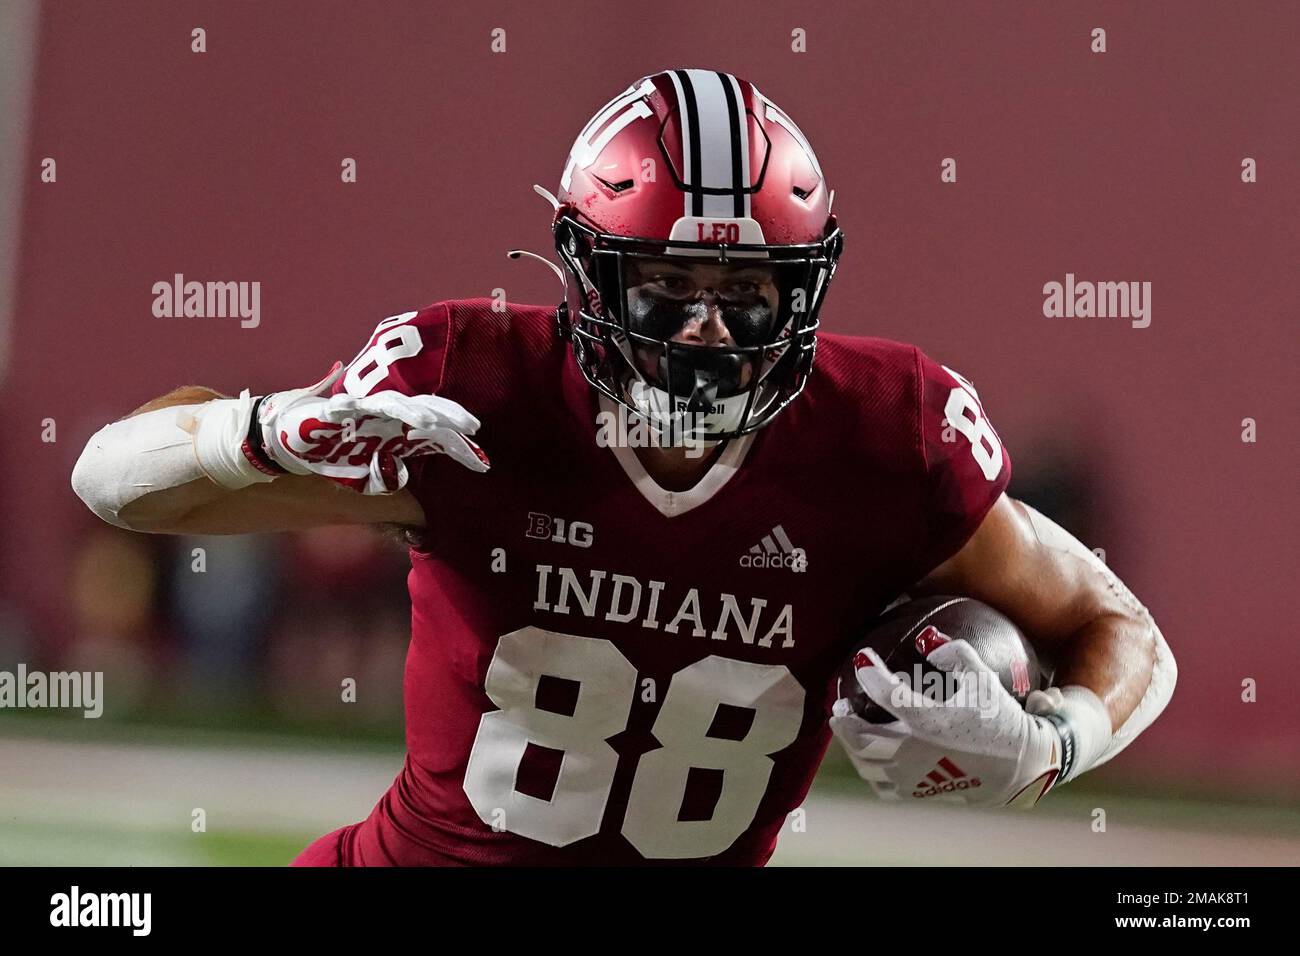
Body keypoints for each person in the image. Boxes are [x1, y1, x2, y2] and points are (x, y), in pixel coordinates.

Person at [71, 69, 1175, 865]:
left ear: (805, 291)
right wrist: (263, 430)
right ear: (586, 278)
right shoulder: (477, 389)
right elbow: (112, 483)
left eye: (748, 294)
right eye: (666, 287)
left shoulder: (889, 436)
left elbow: (1123, 632)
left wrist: (1048, 745)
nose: (705, 331)